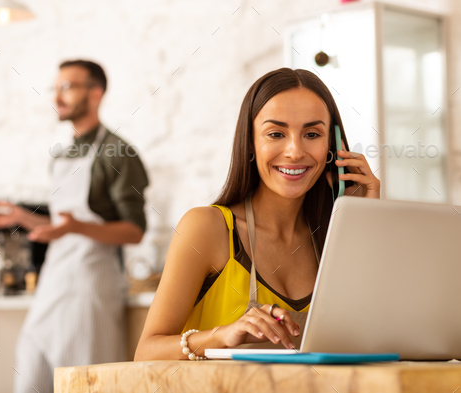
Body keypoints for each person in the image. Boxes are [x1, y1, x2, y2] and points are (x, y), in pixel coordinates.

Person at [134, 68, 380, 361]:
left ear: (333, 148)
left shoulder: (336, 238)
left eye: (312, 134)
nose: (294, 151)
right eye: (276, 134)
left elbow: (377, 341)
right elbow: (146, 353)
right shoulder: (207, 228)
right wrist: (222, 335)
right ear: (250, 143)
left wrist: (364, 217)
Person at [0, 60, 149, 392]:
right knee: (31, 370)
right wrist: (19, 217)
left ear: (95, 94)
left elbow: (134, 230)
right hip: (53, 283)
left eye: (67, 87)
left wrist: (74, 229)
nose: (58, 96)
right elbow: (60, 225)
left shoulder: (118, 154)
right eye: (56, 88)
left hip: (90, 287)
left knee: (83, 380)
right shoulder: (62, 154)